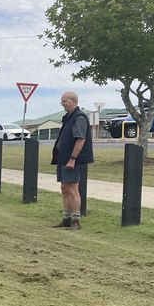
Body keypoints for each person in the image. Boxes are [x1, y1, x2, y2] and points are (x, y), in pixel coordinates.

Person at [52, 91, 94, 230]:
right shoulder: (68, 117)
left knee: (73, 189)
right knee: (64, 188)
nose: (62, 104)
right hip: (63, 158)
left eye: (64, 101)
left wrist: (72, 159)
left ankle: (76, 220)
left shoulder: (79, 117)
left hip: (72, 160)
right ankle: (66, 218)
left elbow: (80, 139)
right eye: (61, 101)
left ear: (73, 101)